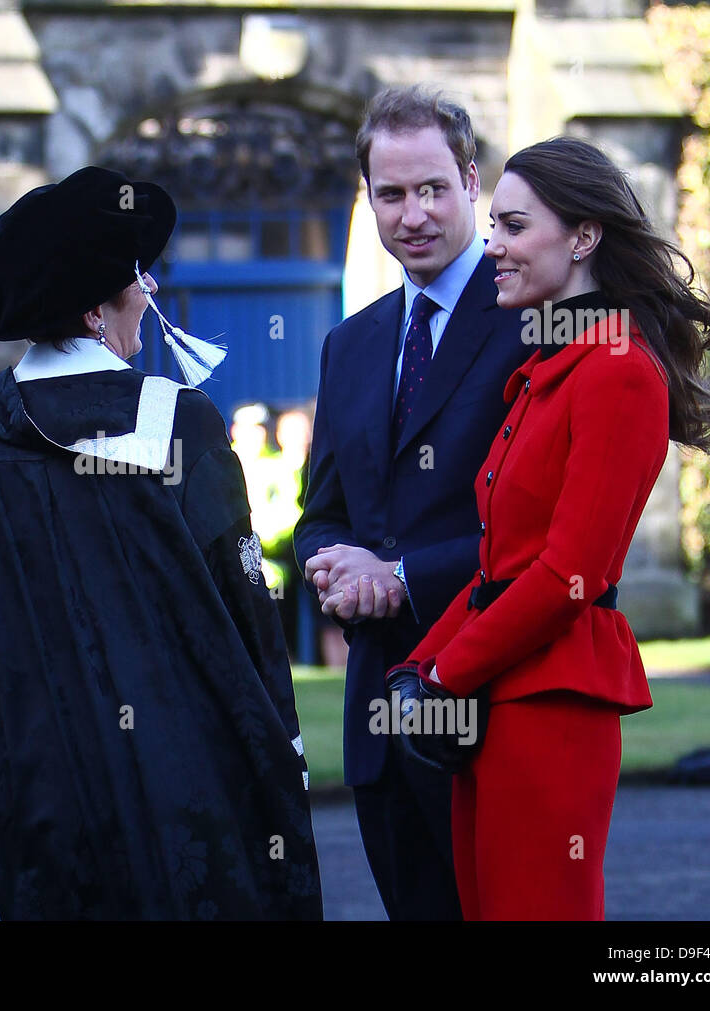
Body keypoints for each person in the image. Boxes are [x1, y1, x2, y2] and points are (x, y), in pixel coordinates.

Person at [0, 166, 322, 920]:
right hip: (184, 777)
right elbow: (245, 608)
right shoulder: (179, 424)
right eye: (136, 276)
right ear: (92, 311)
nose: (148, 289)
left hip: (39, 788)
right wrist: (281, 747)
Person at [390, 136, 710, 919]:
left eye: (513, 226)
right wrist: (420, 662)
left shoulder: (617, 371)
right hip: (500, 694)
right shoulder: (551, 366)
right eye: (494, 226)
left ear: (583, 238)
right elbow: (498, 567)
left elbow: (569, 574)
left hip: (551, 704)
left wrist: (444, 676)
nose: (493, 246)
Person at [293, 86, 534, 920]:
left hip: (495, 708)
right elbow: (320, 515)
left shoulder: (533, 320)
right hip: (380, 723)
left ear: (471, 181)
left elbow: (543, 535)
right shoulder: (349, 343)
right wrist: (335, 568)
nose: (414, 214)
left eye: (433, 188)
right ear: (370, 199)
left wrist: (400, 577)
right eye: (392, 194)